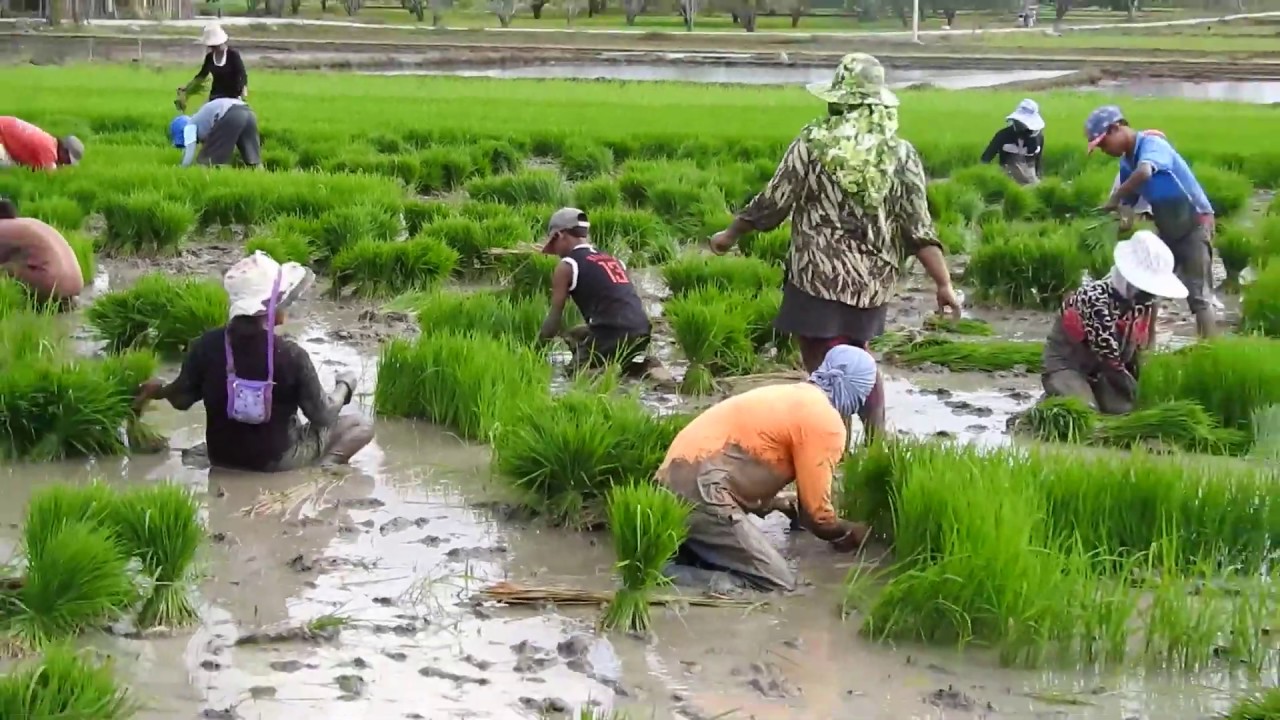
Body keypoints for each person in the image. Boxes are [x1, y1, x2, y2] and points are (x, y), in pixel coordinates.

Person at [708, 53, 960, 438]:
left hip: (817, 275)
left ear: (839, 101)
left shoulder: (813, 144)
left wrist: (731, 234)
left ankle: (832, 439)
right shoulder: (900, 154)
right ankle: (874, 439)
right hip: (873, 281)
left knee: (823, 358)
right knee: (858, 356)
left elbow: (774, 202)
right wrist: (944, 283)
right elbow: (918, 227)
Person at [656, 344, 879, 592]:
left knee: (721, 550)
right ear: (856, 387)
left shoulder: (792, 395)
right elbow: (818, 517)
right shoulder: (826, 422)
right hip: (702, 490)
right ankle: (659, 574)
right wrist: (851, 531)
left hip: (671, 480)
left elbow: (742, 466)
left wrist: (780, 503)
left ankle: (687, 554)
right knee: (778, 583)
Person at [134, 252, 373, 472]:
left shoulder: (206, 345)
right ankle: (324, 467)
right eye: (284, 300)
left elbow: (181, 400)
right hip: (277, 461)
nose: (288, 306)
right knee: (361, 424)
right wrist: (344, 386)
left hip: (221, 457)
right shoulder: (291, 355)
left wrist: (159, 390)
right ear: (271, 307)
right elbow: (323, 416)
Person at [1086, 105, 1217, 338]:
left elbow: (1145, 172)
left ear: (1117, 128)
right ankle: (1145, 344)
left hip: (1194, 225)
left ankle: (1210, 348)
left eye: (1104, 144)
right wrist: (1122, 219)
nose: (1104, 150)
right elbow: (1129, 201)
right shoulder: (1126, 163)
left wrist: (1115, 197)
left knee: (1198, 295)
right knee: (1148, 288)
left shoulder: (1152, 145)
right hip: (1166, 230)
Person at [1041, 231, 1187, 414]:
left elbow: (1145, 347)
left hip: (1105, 371)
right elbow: (1110, 360)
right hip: (1069, 365)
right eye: (1146, 289)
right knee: (1086, 411)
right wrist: (1138, 395)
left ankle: (1092, 390)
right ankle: (1056, 392)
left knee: (1122, 410)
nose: (1151, 296)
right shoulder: (1095, 300)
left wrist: (1150, 385)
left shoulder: (1147, 302)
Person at [538, 207, 653, 372]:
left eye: (554, 245)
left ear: (560, 235)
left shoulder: (567, 266)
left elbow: (554, 321)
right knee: (574, 335)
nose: (555, 252)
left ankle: (617, 372)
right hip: (642, 331)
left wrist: (534, 351)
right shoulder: (614, 261)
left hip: (613, 332)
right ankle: (642, 368)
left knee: (573, 373)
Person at [0, 198, 85, 305]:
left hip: (53, 283)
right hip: (76, 283)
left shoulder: (3, 228)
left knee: (5, 269)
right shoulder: (28, 222)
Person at [169, 97, 262, 169]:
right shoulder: (201, 121)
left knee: (206, 162)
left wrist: (182, 168)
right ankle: (262, 175)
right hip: (248, 112)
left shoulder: (189, 126)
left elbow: (189, 152)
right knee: (253, 161)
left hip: (230, 113)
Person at [176, 23, 248, 111]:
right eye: (211, 46)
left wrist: (243, 89)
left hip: (233, 96)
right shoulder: (210, 57)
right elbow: (202, 75)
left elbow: (242, 74)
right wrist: (187, 88)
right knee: (203, 114)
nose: (213, 48)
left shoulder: (233, 55)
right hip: (215, 96)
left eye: (215, 46)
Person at [980, 98, 1044, 186]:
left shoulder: (1038, 137)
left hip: (1031, 179)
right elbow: (986, 158)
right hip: (1006, 180)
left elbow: (1038, 161)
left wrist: (1039, 179)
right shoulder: (1003, 136)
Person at [0, 116, 83, 171]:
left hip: (4, 127)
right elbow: (51, 175)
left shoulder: (50, 141)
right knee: (8, 168)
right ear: (64, 150)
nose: (66, 164)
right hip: (2, 131)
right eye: (68, 160)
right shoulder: (49, 151)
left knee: (17, 165)